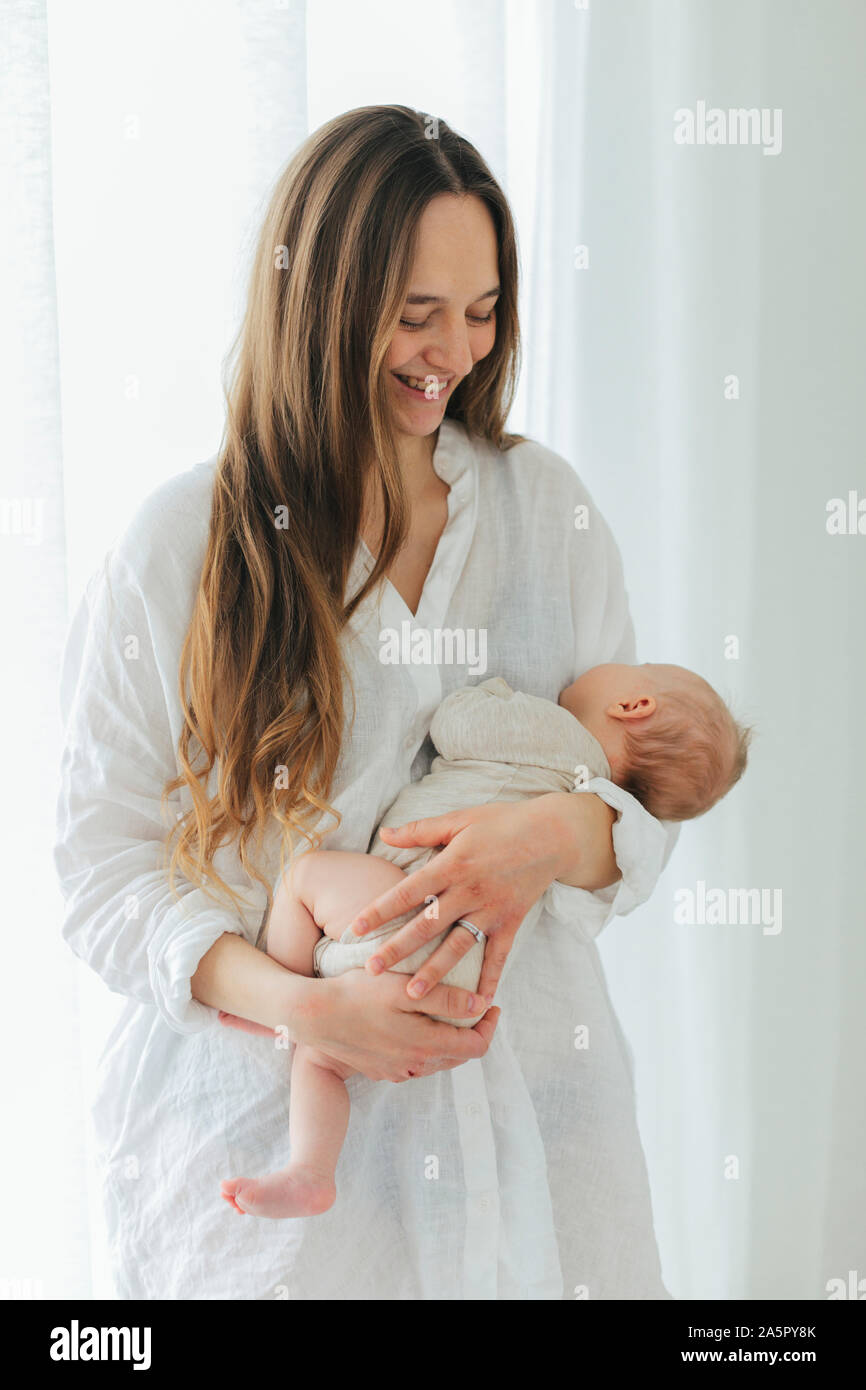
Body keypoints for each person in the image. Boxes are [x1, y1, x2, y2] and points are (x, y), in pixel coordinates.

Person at [55, 104, 680, 1299]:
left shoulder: (544, 512)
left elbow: (631, 788)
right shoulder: (183, 544)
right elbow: (99, 867)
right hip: (269, 1165)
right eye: (415, 315)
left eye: (483, 312)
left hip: (537, 1127)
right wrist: (304, 1011)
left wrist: (548, 835)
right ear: (323, 296)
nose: (453, 351)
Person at [219, 664, 750, 1220]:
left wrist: (491, 694)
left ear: (633, 705)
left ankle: (281, 996)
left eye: (635, 670)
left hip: (406, 906)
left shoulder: (556, 734)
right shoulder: (597, 806)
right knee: (323, 1063)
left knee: (304, 877)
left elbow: (457, 722)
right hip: (460, 980)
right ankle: (310, 1171)